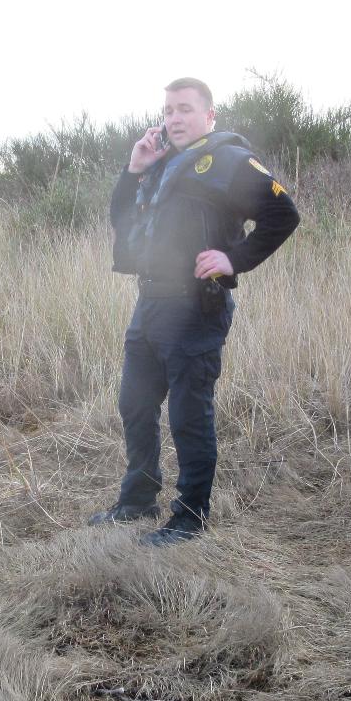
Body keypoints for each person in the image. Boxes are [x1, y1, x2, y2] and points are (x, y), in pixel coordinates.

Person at [91, 78, 300, 546]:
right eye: (168, 111)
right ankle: (137, 499)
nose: (174, 119)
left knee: (188, 414)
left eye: (185, 109)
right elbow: (124, 222)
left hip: (195, 308)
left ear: (209, 116)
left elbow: (283, 213)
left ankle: (189, 517)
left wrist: (235, 258)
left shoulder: (227, 160)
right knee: (135, 403)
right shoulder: (161, 164)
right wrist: (133, 170)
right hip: (149, 303)